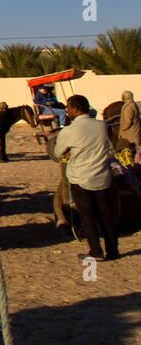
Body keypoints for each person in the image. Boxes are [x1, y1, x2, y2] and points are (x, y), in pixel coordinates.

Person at [54, 95, 121, 261]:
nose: (67, 111)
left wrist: (71, 152)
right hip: (102, 176)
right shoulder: (101, 125)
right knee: (106, 215)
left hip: (80, 177)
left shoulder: (69, 130)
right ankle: (113, 251)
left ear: (76, 109)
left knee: (87, 215)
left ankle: (96, 250)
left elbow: (57, 152)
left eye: (68, 108)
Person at [119, 90, 140, 161]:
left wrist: (123, 129)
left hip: (130, 133)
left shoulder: (129, 107)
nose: (122, 98)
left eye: (123, 96)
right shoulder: (132, 105)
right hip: (133, 131)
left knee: (132, 150)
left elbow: (128, 121)